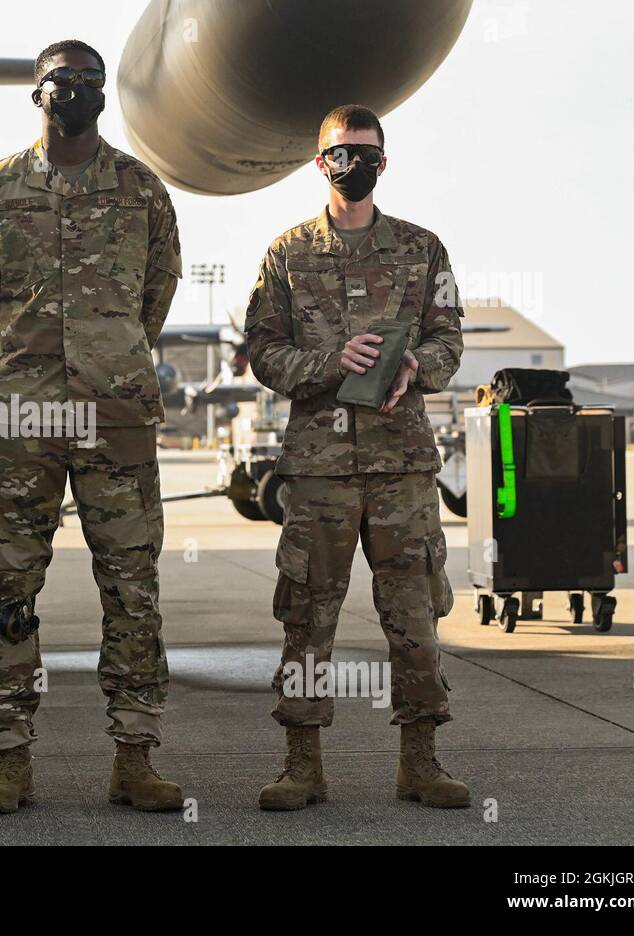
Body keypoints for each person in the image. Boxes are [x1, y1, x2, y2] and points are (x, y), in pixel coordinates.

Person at [0, 39, 184, 814]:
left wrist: (113, 356)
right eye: (60, 81)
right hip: (23, 416)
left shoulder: (142, 190)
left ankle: (134, 757)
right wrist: (20, 366)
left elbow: (159, 289)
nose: (73, 91)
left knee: (133, 590)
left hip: (115, 414)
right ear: (36, 93)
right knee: (9, 587)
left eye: (87, 81)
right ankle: (10, 760)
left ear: (103, 95)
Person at [244, 104, 469, 810]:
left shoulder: (422, 248)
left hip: (402, 463)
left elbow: (448, 338)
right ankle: (302, 766)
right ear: (320, 163)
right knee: (308, 616)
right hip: (318, 471)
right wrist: (328, 363)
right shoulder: (287, 254)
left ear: (383, 161)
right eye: (341, 152)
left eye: (365, 152)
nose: (353, 163)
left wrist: (418, 369)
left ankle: (421, 761)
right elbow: (263, 352)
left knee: (415, 614)